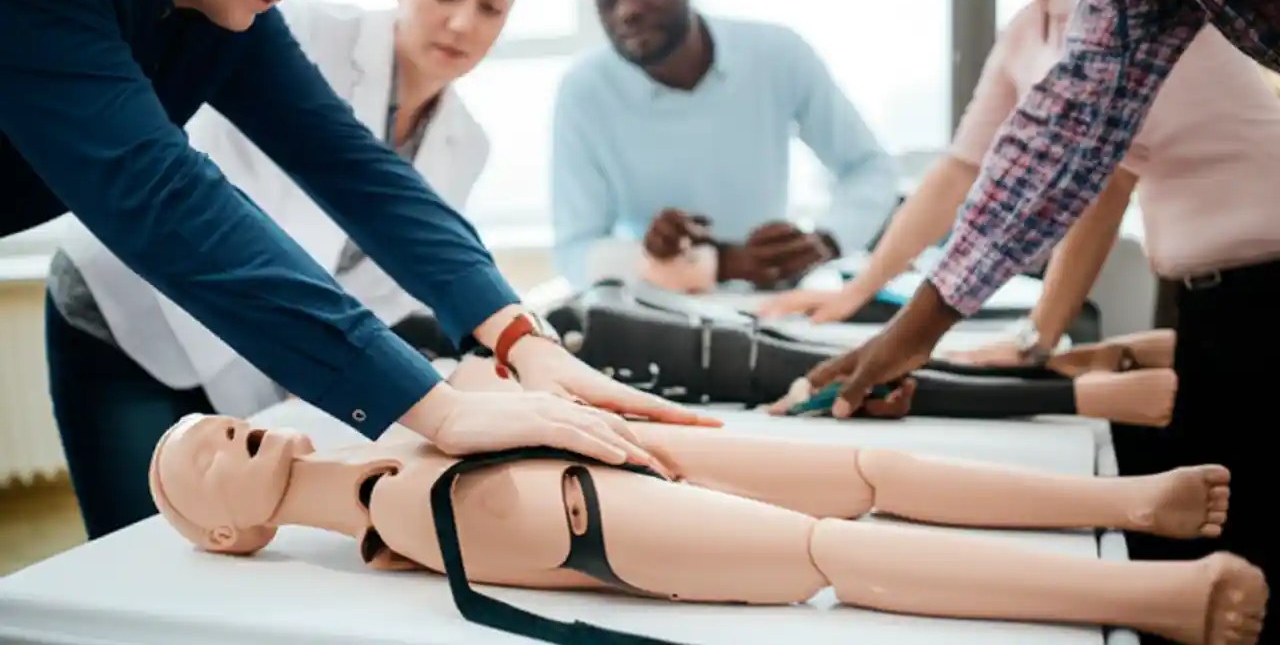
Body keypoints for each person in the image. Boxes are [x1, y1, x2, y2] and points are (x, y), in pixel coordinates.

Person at [0, 0, 714, 541]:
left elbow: (353, 166)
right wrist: (438, 410)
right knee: (136, 563)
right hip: (128, 316)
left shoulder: (224, 4)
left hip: (251, 334)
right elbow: (166, 198)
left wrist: (523, 340)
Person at [799, 0, 1280, 641]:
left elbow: (1098, 158)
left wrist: (1029, 332)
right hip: (1220, 300)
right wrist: (906, 322)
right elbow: (1052, 132)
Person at [146, 356, 1269, 645]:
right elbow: (495, 546)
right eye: (198, 457)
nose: (219, 432)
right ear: (229, 535)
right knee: (832, 552)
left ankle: (1129, 502)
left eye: (209, 420)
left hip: (590, 453)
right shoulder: (389, 521)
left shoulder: (387, 439)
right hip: (571, 518)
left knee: (876, 475)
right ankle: (1158, 598)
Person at [759, 0, 1280, 367]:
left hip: (1258, 278)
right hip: (1200, 287)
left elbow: (1099, 175)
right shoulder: (1036, 26)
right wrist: (857, 294)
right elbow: (959, 170)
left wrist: (1035, 338)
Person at [549, 0, 901, 292]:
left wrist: (827, 240)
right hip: (655, 313)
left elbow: (869, 168)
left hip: (774, 306)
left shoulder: (777, 54)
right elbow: (575, 250)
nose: (626, 11)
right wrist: (715, 263)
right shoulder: (583, 92)